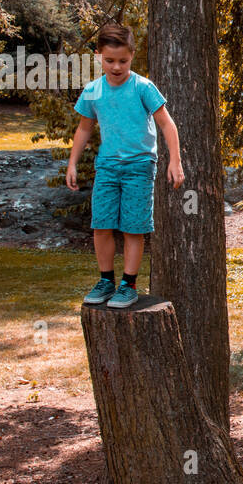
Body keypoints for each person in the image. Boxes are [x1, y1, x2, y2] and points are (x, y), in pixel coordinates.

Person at [65, 22, 184, 308]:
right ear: (98, 57)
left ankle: (128, 285)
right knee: (102, 225)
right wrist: (72, 163)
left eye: (123, 61)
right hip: (107, 166)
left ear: (132, 56)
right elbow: (84, 129)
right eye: (110, 60)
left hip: (139, 166)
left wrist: (175, 161)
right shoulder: (93, 91)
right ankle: (106, 280)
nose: (116, 67)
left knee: (133, 227)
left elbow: (167, 124)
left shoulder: (143, 87)